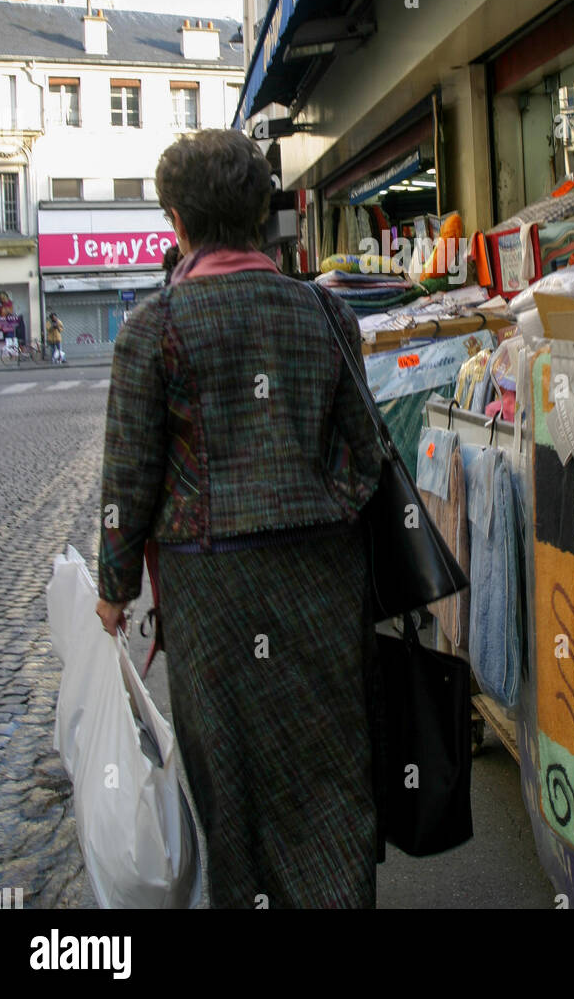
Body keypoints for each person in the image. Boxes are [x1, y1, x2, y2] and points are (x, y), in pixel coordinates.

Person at [94, 129, 384, 909]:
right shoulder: (325, 313)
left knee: (231, 777)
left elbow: (129, 475)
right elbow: (370, 451)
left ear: (177, 223)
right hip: (323, 576)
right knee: (331, 766)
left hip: (211, 588)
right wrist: (322, 509)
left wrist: (114, 588)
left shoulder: (152, 328)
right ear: (264, 214)